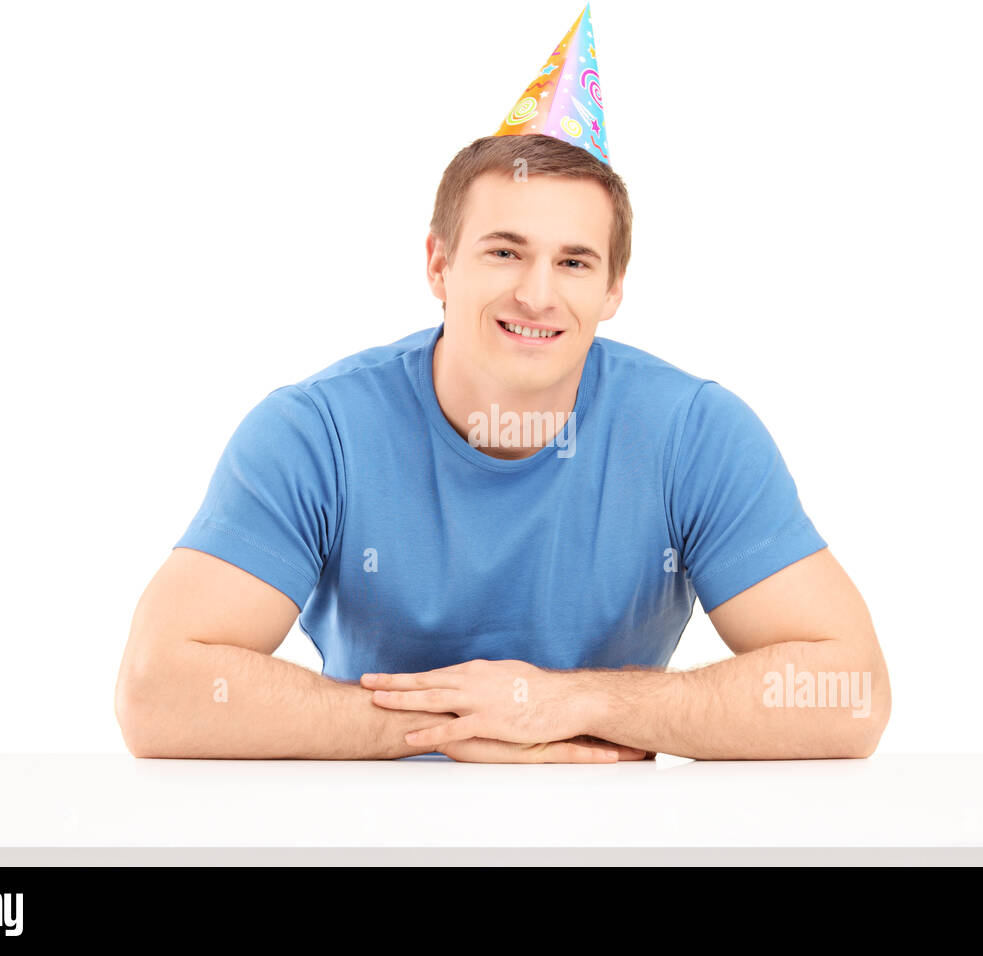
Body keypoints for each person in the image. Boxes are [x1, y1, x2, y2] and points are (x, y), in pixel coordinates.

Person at [113, 5, 890, 763]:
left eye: (575, 262)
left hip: (617, 835)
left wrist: (576, 703)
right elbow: (156, 690)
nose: (538, 293)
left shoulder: (695, 432)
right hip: (372, 829)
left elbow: (850, 693)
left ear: (613, 289)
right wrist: (458, 728)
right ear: (438, 264)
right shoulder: (315, 434)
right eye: (504, 252)